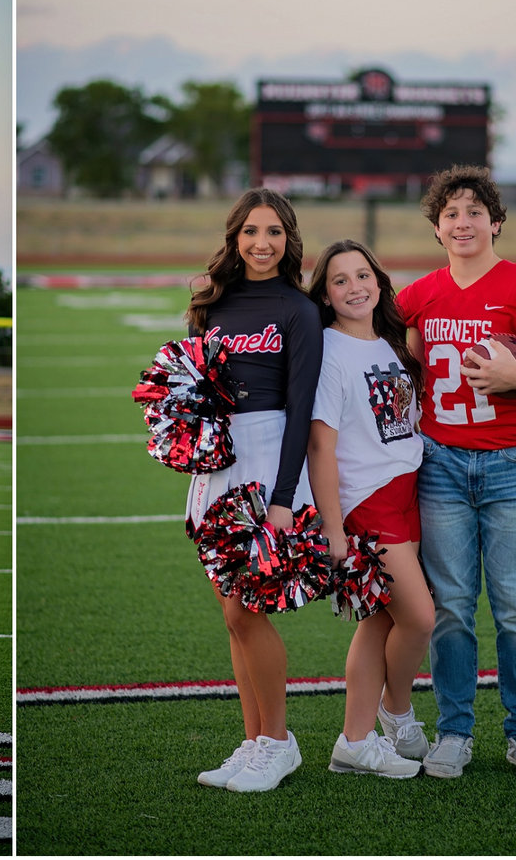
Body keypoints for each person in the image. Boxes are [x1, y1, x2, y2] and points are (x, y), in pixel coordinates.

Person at [396, 166, 516, 781]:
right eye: (451, 213)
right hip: (442, 465)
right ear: (436, 228)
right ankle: (454, 730)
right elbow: (403, 374)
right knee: (450, 605)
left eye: (475, 211)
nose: (463, 222)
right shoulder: (420, 297)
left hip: (510, 465)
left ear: (495, 223)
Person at [186, 188, 323, 794]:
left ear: (289, 240)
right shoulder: (214, 304)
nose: (261, 243)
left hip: (269, 460)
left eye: (273, 232)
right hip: (218, 460)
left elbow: (301, 412)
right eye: (250, 231)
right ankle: (252, 740)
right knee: (231, 615)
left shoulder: (298, 309)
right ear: (234, 237)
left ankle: (279, 742)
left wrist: (284, 498)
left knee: (249, 606)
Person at [306, 240, 434, 780]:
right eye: (340, 280)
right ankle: (395, 710)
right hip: (368, 501)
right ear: (327, 294)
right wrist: (334, 530)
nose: (355, 286)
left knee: (380, 618)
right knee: (420, 617)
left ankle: (353, 742)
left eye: (363, 275)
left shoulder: (390, 342)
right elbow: (320, 446)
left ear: (379, 282)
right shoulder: (328, 351)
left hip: (410, 489)